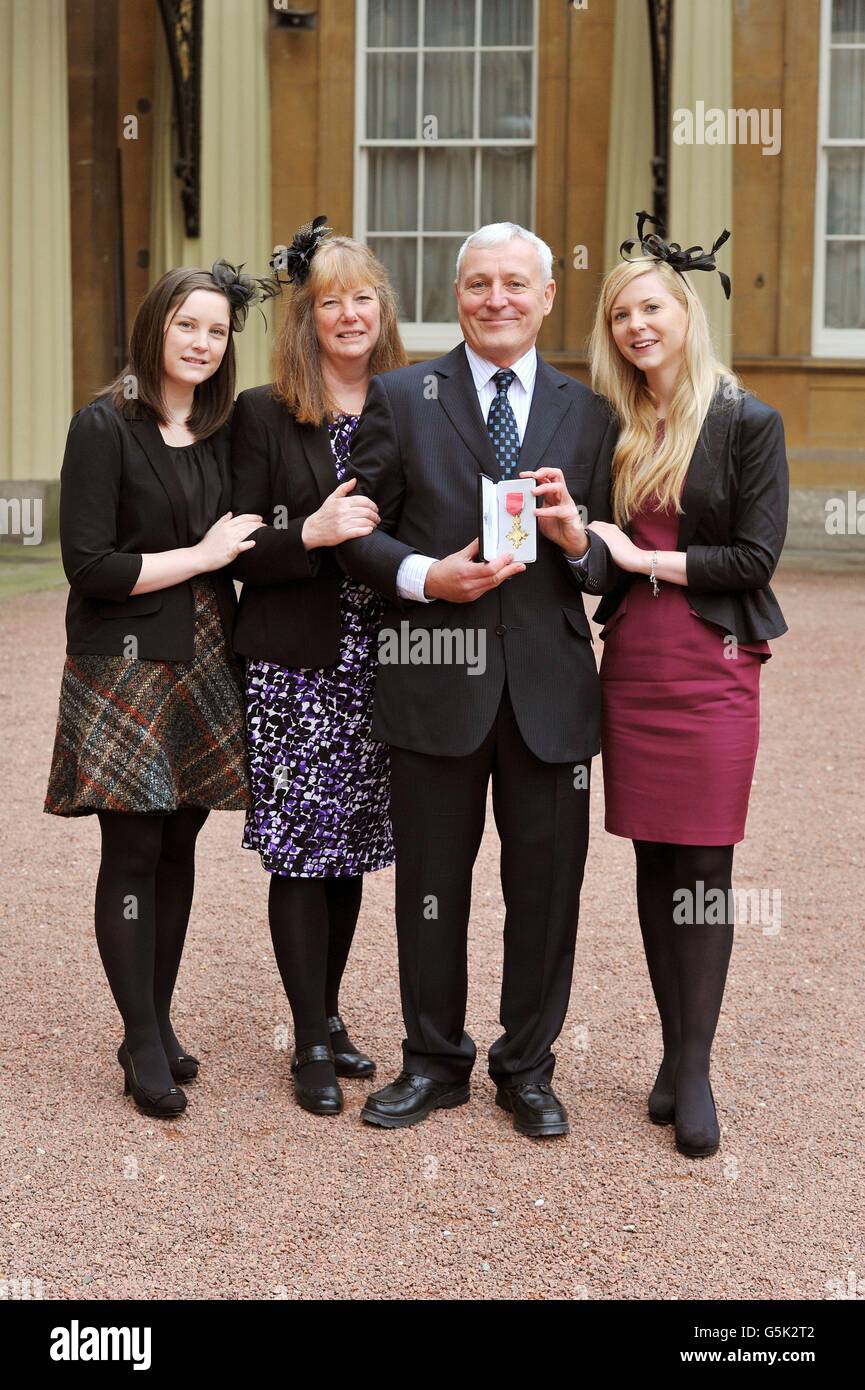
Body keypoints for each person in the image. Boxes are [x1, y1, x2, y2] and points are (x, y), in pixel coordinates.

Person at [337, 221, 618, 1137]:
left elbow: (612, 565)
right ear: (455, 296)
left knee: (545, 890)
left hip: (548, 691)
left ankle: (527, 1068)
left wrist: (581, 547)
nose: (494, 299)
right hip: (431, 680)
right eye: (476, 284)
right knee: (431, 884)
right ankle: (432, 1062)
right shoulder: (400, 395)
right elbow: (355, 535)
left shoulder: (590, 412)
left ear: (546, 297)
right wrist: (426, 576)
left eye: (513, 284)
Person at [44, 261, 272, 1117]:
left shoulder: (221, 429)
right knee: (133, 848)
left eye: (217, 331)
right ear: (156, 327)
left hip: (208, 659)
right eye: (189, 326)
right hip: (126, 664)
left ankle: (158, 1016)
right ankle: (139, 1041)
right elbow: (89, 565)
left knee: (180, 844)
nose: (203, 343)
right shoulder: (103, 426)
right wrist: (204, 557)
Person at [586, 213, 789, 1158]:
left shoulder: (746, 420)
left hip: (710, 667)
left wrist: (641, 559)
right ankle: (672, 1051)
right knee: (654, 861)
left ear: (686, 313)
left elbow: (753, 556)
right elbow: (599, 567)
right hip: (630, 664)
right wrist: (576, 547)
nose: (636, 325)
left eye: (652, 307)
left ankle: (695, 1067)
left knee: (704, 866)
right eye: (622, 313)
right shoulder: (616, 427)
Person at [230, 221, 408, 1115]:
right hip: (297, 664)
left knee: (348, 852)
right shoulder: (265, 412)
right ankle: (305, 1036)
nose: (347, 314)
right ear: (306, 318)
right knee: (301, 856)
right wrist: (308, 532)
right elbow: (231, 548)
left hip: (386, 663)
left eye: (361, 296)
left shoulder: (413, 399)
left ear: (383, 307)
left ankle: (331, 1014)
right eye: (328, 301)